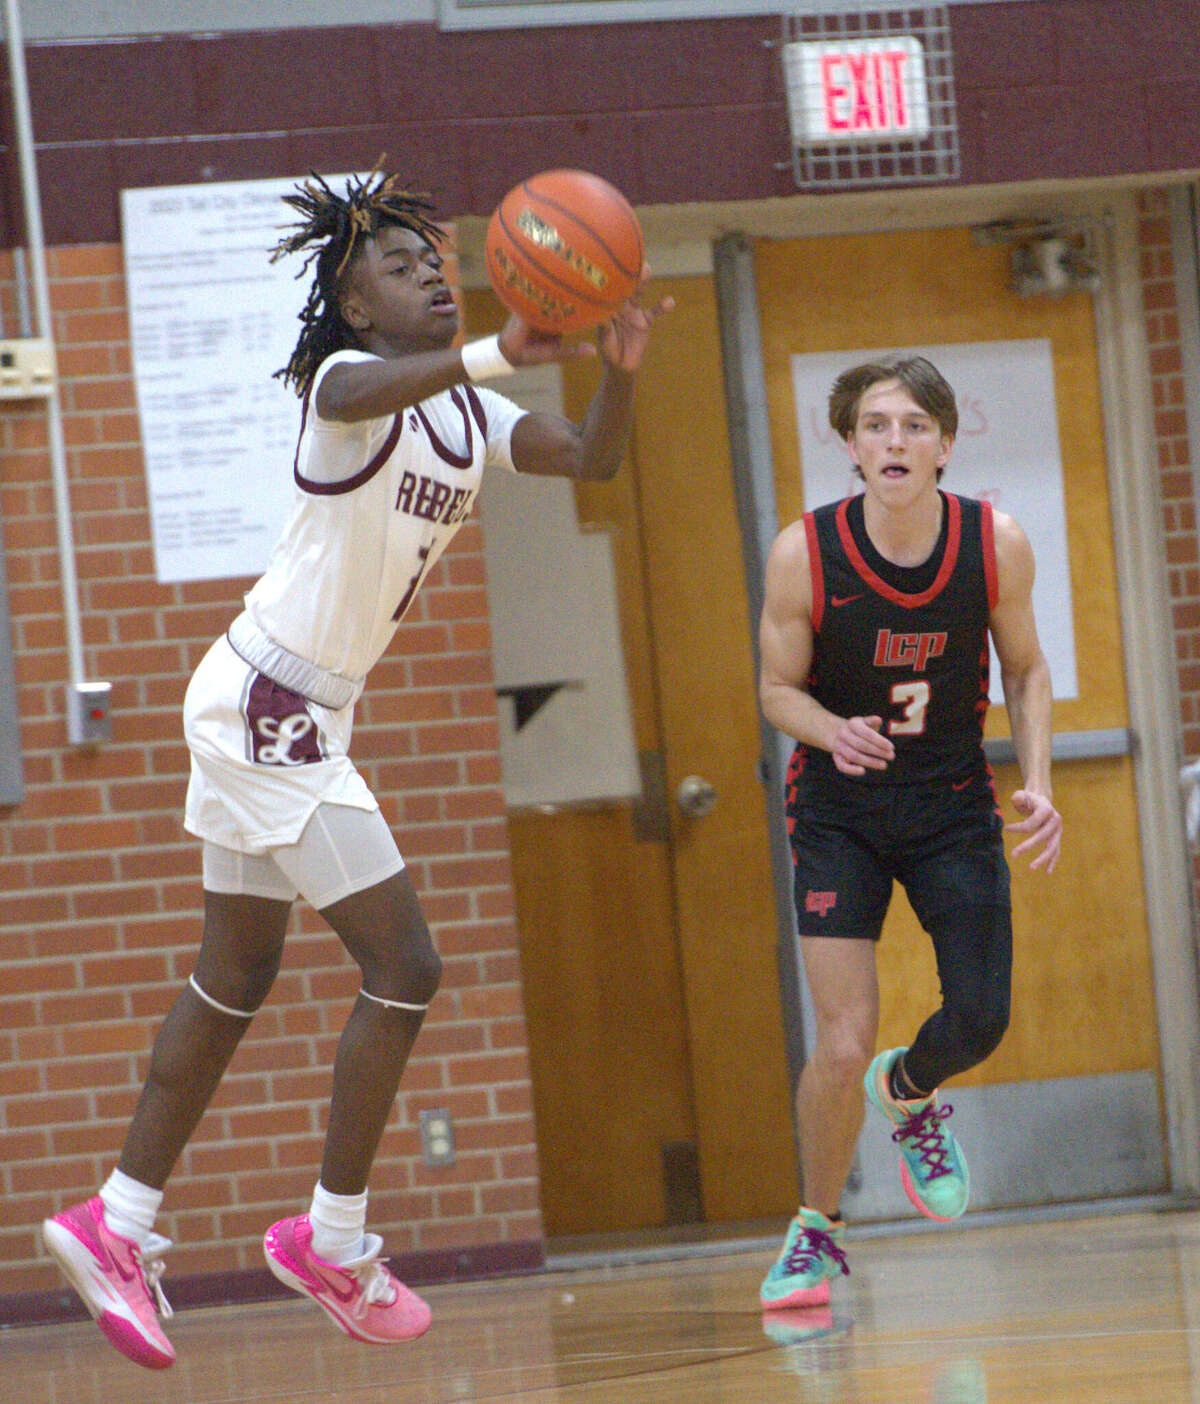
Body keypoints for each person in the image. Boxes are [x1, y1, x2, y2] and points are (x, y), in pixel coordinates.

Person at [41, 166, 671, 1370]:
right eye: (399, 265)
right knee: (408, 963)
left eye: (437, 256)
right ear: (354, 302)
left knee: (235, 972)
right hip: (271, 703)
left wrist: (619, 372)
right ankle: (332, 1236)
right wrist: (500, 345)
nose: (432, 270)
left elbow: (590, 458)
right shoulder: (344, 389)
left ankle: (113, 1219)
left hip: (276, 704)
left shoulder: (469, 417)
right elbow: (392, 380)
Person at [757, 354, 1061, 1311]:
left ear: (944, 443)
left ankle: (916, 1090)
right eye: (878, 426)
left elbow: (1028, 671)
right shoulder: (803, 552)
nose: (896, 441)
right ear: (849, 444)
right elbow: (774, 690)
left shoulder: (992, 542)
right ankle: (815, 1231)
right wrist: (827, 726)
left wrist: (1040, 781)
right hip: (841, 811)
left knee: (979, 1019)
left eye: (915, 425)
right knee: (842, 1043)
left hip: (952, 805)